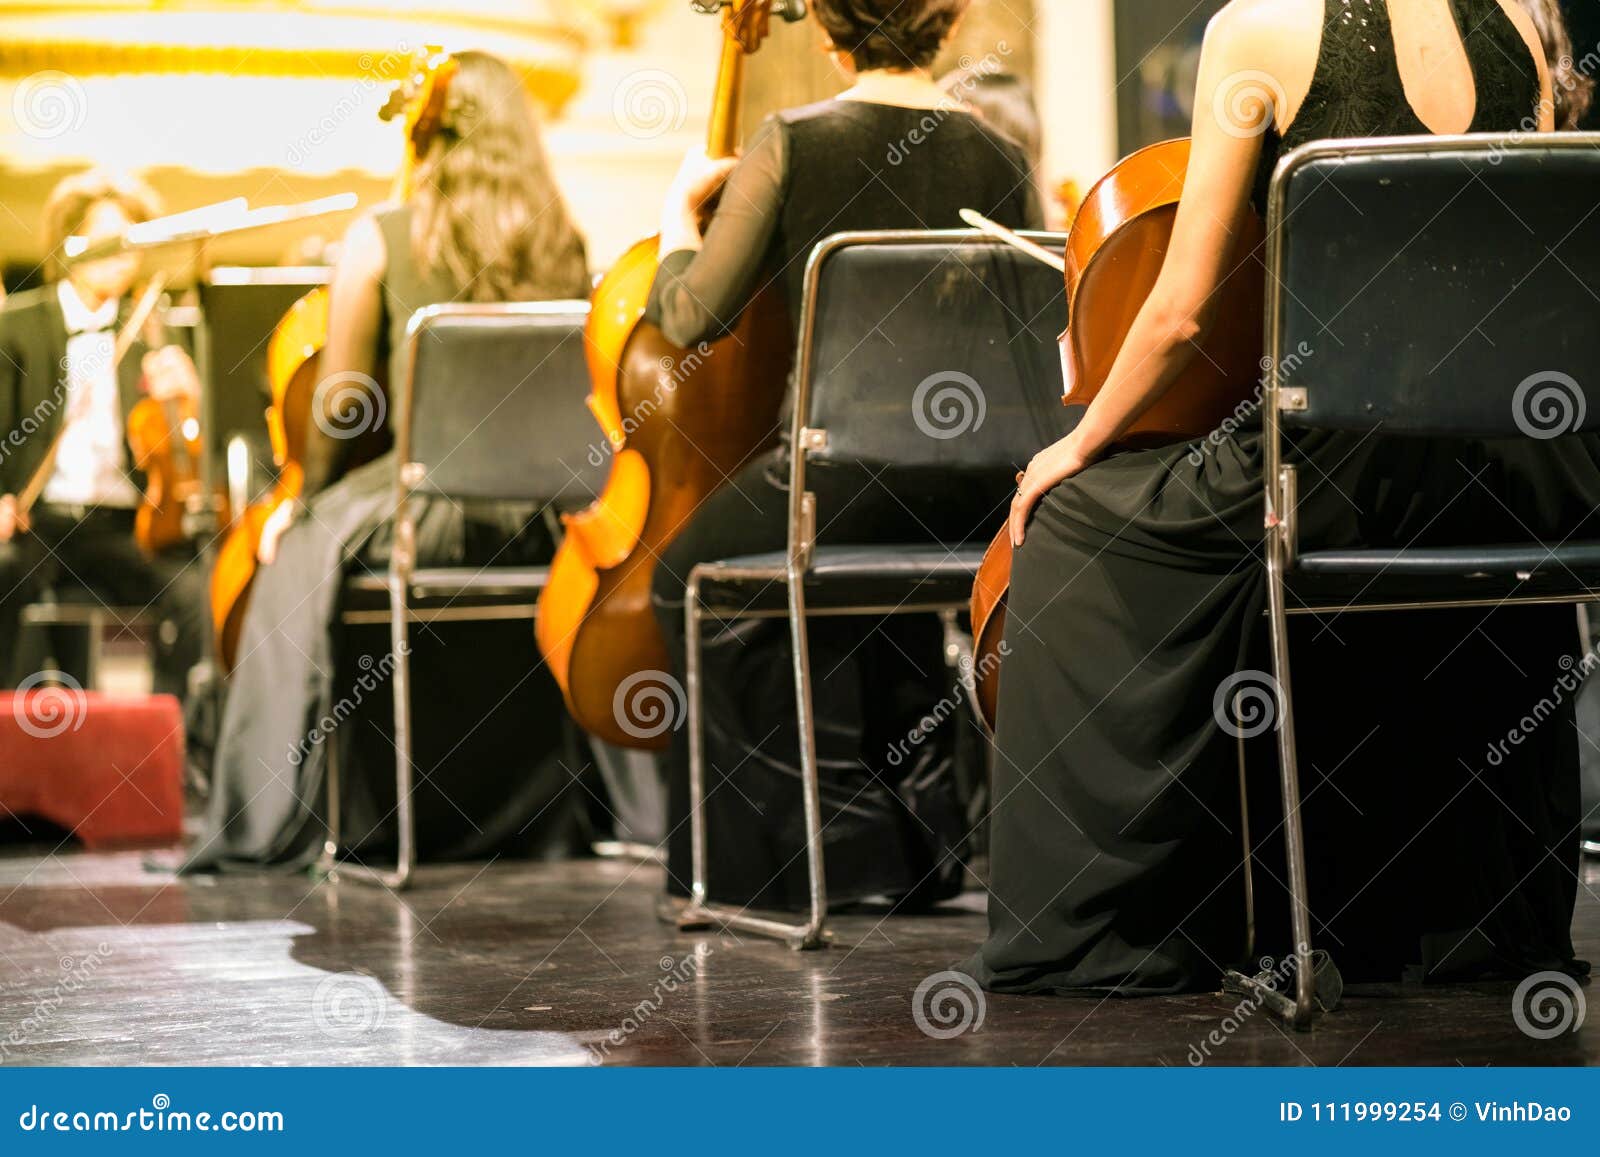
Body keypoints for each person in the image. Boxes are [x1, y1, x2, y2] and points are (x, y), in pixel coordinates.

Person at [970, 0, 1596, 996]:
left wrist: (1078, 442)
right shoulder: (1522, 22)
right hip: (1518, 472)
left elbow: (1178, 313)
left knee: (1076, 521)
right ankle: (1464, 917)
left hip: (1340, 472)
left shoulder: (1254, 31)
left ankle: (1120, 932)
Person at [645, 0, 1043, 911]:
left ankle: (829, 851)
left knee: (681, 579)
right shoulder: (1002, 156)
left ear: (825, 31)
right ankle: (921, 832)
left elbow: (686, 318)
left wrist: (677, 217)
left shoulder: (790, 141)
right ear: (941, 27)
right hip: (974, 491)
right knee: (871, 601)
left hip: (837, 479)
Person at [185, 50, 591, 870]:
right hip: (542, 523)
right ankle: (533, 814)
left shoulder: (381, 239)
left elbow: (341, 404)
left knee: (295, 552)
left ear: (427, 134)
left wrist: (304, 506)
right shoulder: (564, 243)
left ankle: (270, 819)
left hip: (421, 515)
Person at [0, 170, 207, 701]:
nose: (124, 254)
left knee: (198, 594)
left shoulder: (155, 329)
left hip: (124, 525)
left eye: (135, 242)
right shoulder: (18, 326)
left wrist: (189, 402)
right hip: (37, 522)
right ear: (71, 244)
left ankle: (169, 742)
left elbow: (183, 456)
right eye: (111, 239)